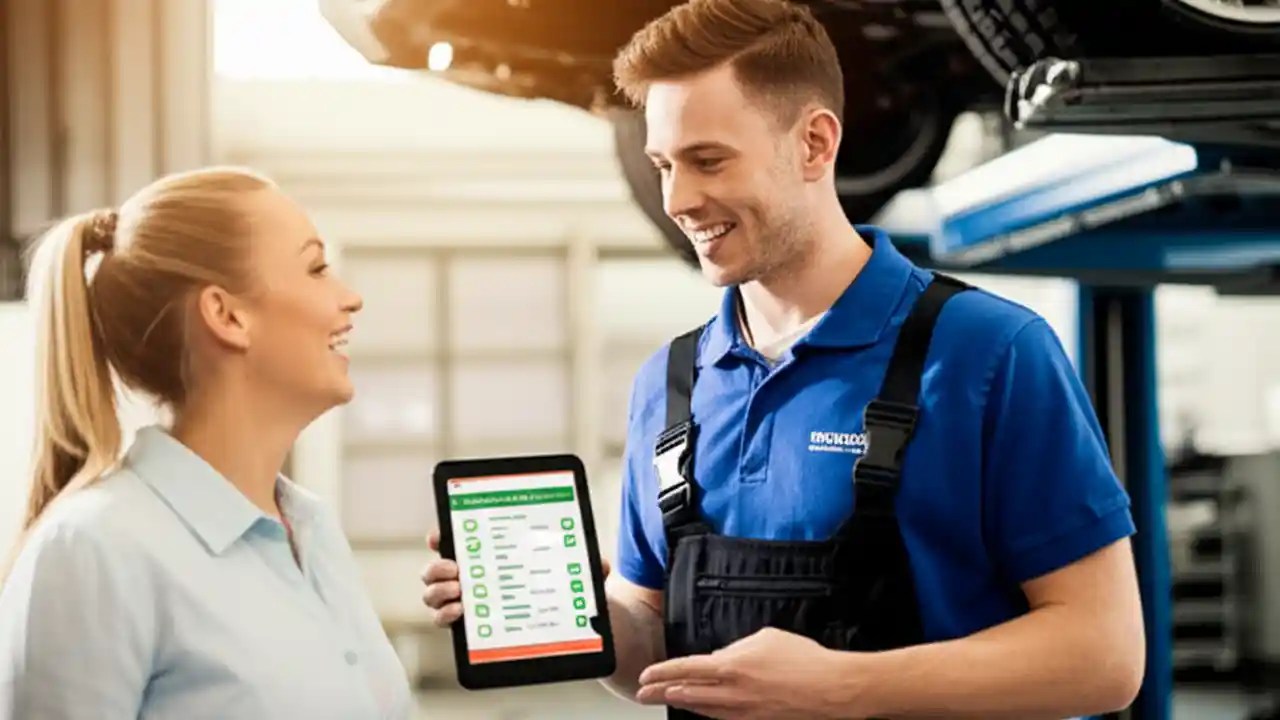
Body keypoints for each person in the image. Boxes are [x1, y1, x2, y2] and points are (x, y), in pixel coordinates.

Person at [422, 0, 1146, 717]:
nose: (677, 199)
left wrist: (846, 687)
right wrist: (570, 613)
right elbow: (656, 652)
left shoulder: (988, 353)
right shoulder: (671, 385)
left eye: (708, 161)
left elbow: (1103, 656)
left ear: (815, 144)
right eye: (663, 164)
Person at [0, 167, 412, 719]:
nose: (351, 298)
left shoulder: (314, 532)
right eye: (316, 268)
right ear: (226, 315)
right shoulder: (94, 549)